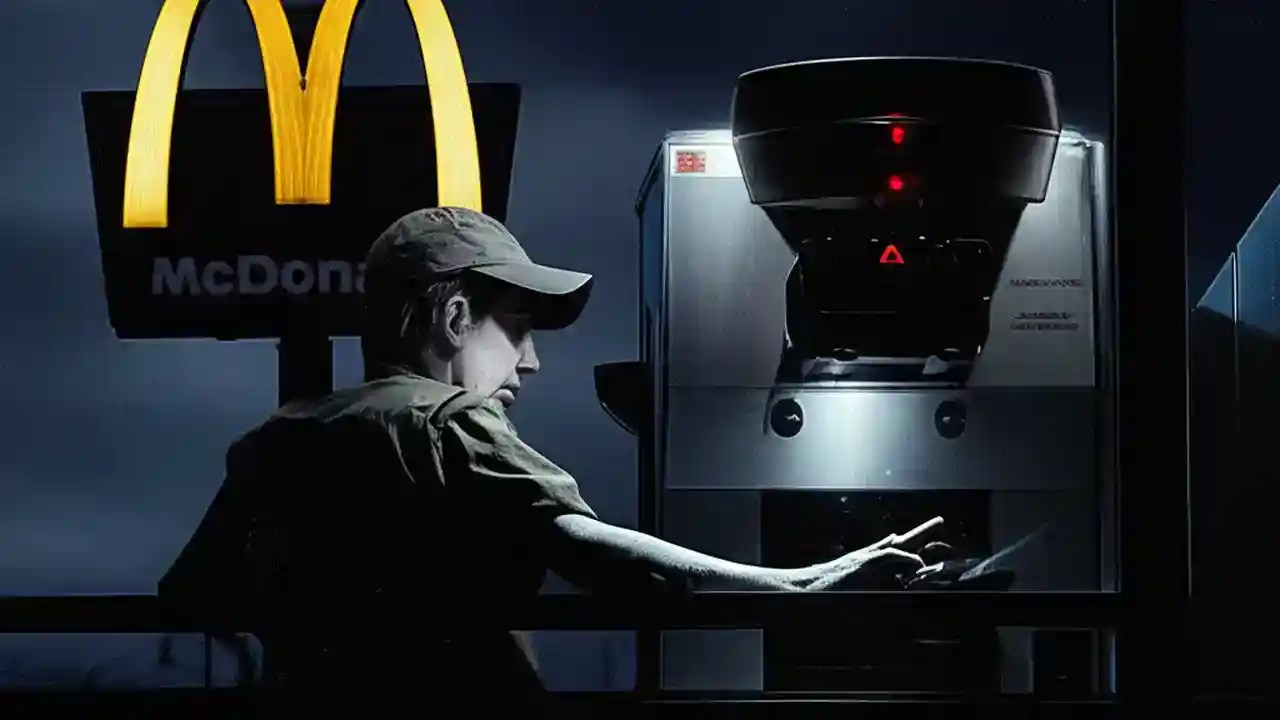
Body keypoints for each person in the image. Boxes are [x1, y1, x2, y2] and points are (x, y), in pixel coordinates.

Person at [158, 207, 945, 699]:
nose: (530, 363)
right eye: (520, 329)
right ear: (455, 317)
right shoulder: (447, 423)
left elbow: (193, 594)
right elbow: (615, 563)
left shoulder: (276, 441)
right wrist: (804, 584)